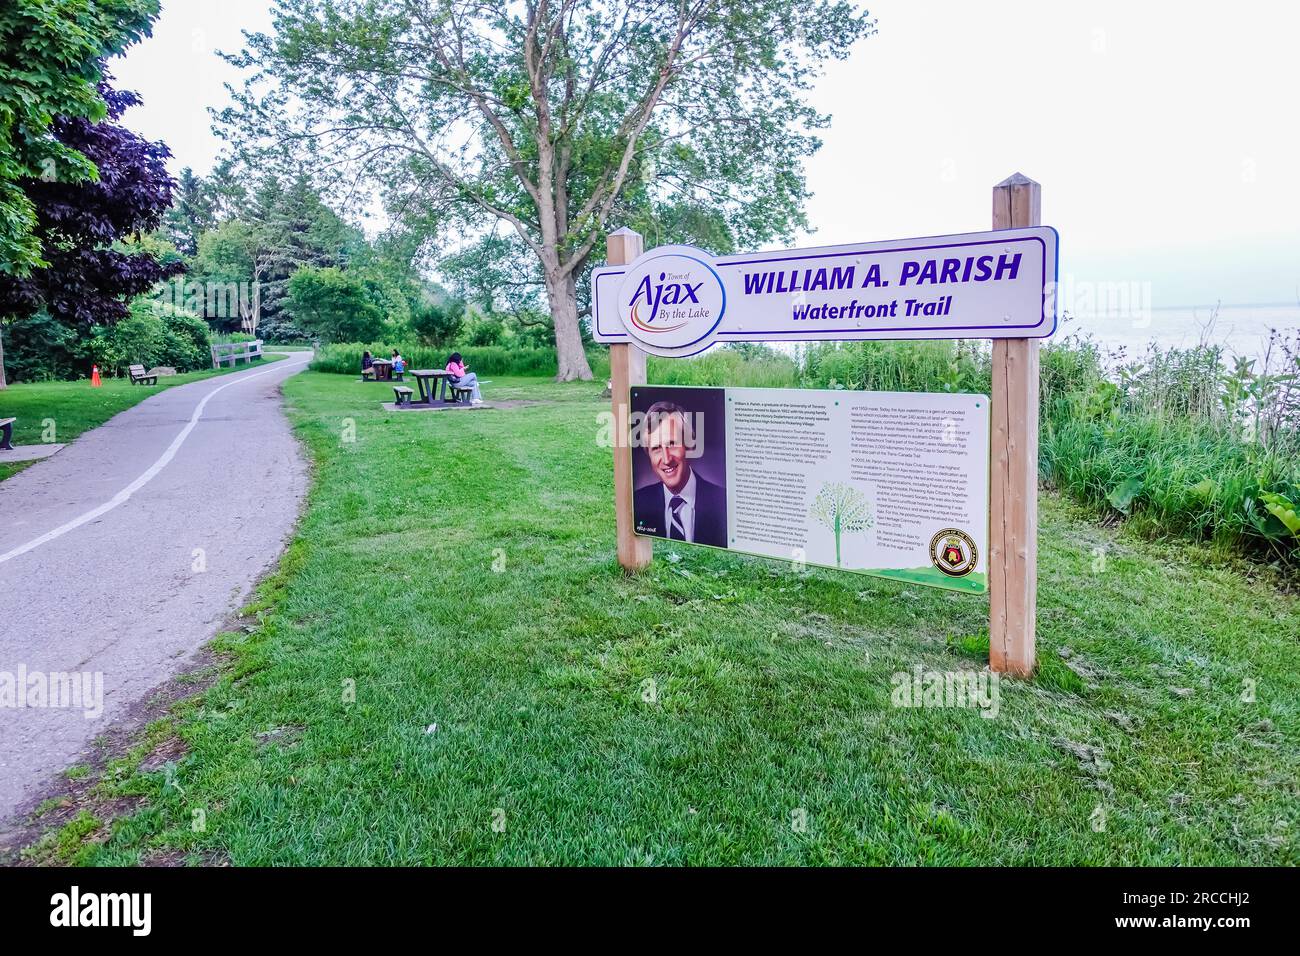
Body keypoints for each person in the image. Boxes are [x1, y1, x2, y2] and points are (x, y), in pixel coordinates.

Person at [633, 400, 726, 547]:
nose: (666, 459)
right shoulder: (637, 503)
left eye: (671, 444)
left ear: (689, 446)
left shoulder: (723, 501)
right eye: (656, 448)